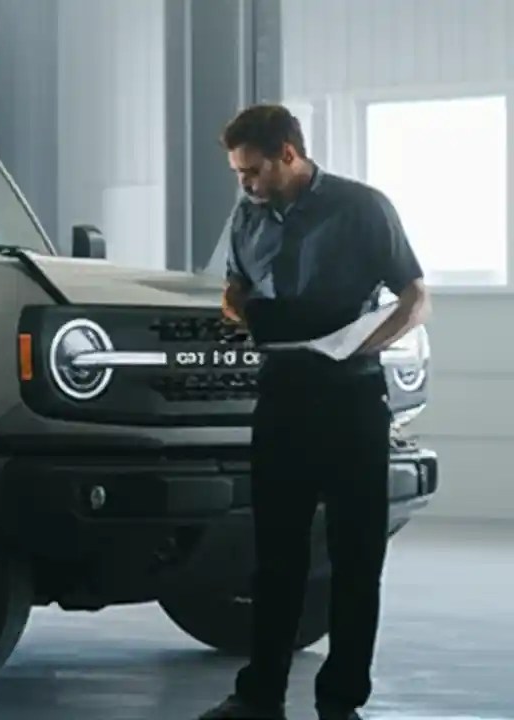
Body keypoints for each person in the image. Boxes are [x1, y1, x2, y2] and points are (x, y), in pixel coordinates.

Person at [198, 104, 431, 720]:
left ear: (289, 156)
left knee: (357, 559)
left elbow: (415, 297)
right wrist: (241, 312)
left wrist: (359, 345)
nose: (244, 184)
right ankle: (259, 697)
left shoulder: (363, 208)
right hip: (281, 395)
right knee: (275, 558)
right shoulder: (247, 215)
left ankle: (341, 703)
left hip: (351, 396)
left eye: (251, 170)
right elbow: (234, 288)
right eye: (237, 173)